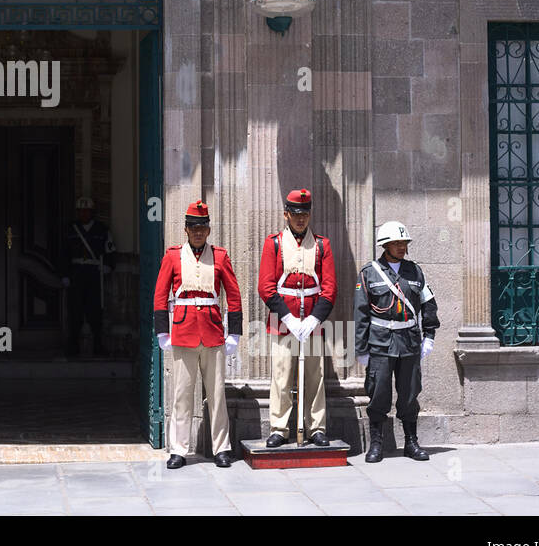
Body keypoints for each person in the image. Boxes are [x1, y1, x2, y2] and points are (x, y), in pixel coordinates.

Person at [153, 200, 243, 469]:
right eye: (193, 227)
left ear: (209, 229)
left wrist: (234, 333)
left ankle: (221, 448)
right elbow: (160, 296)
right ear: (185, 229)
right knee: (182, 394)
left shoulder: (220, 256)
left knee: (216, 395)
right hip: (182, 332)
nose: (198, 231)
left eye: (202, 227)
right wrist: (162, 331)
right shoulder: (172, 256)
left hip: (213, 332)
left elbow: (234, 295)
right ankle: (179, 449)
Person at [257, 188, 337, 447]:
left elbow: (330, 287)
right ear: (286, 215)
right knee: (281, 377)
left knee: (315, 376)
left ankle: (316, 427)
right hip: (283, 323)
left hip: (312, 323)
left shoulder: (322, 245)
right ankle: (279, 428)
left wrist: (314, 319)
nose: (300, 219)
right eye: (295, 214)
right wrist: (288, 318)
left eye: (304, 214)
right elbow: (266, 286)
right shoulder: (275, 243)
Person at [355, 221, 440, 463]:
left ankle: (411, 443)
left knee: (410, 393)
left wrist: (430, 335)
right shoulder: (369, 273)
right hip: (380, 343)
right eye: (396, 243)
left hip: (409, 342)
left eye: (404, 243)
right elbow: (360, 312)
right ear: (385, 245)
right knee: (378, 393)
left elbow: (428, 303)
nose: (402, 247)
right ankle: (377, 444)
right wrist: (361, 348)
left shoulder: (415, 271)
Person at [62, 196, 114, 357]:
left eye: (87, 211)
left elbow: (110, 250)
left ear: (92, 213)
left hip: (93, 273)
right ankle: (73, 346)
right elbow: (63, 253)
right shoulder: (71, 229)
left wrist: (108, 266)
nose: (84, 214)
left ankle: (98, 345)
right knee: (75, 310)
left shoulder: (101, 230)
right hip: (76, 272)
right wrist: (64, 274)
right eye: (81, 211)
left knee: (95, 310)